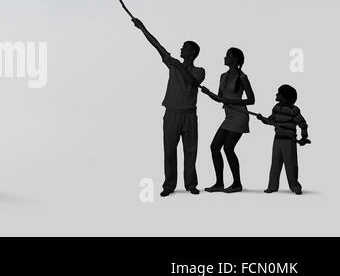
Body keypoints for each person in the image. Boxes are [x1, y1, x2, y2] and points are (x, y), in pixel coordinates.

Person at [131, 16, 204, 196]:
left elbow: (192, 82)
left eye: (184, 47)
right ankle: (169, 185)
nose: (181, 48)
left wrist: (178, 65)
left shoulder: (199, 71)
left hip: (189, 115)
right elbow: (157, 45)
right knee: (169, 150)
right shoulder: (173, 65)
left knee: (190, 151)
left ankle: (191, 184)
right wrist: (142, 28)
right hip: (171, 113)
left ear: (192, 51)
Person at [199, 48, 254, 192]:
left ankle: (237, 184)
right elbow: (220, 98)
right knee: (214, 147)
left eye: (228, 56)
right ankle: (219, 183)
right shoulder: (223, 76)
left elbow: (251, 100)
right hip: (229, 116)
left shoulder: (242, 77)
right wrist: (208, 93)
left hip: (240, 115)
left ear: (235, 59)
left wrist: (232, 101)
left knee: (228, 148)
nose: (225, 57)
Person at [254, 85, 310, 194]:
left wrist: (304, 137)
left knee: (291, 164)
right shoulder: (276, 108)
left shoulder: (293, 110)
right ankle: (272, 186)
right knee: (275, 164)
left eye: (278, 93)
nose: (276, 94)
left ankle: (295, 186)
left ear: (285, 97)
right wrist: (262, 119)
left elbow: (303, 124)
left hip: (289, 141)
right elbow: (271, 121)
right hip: (277, 140)